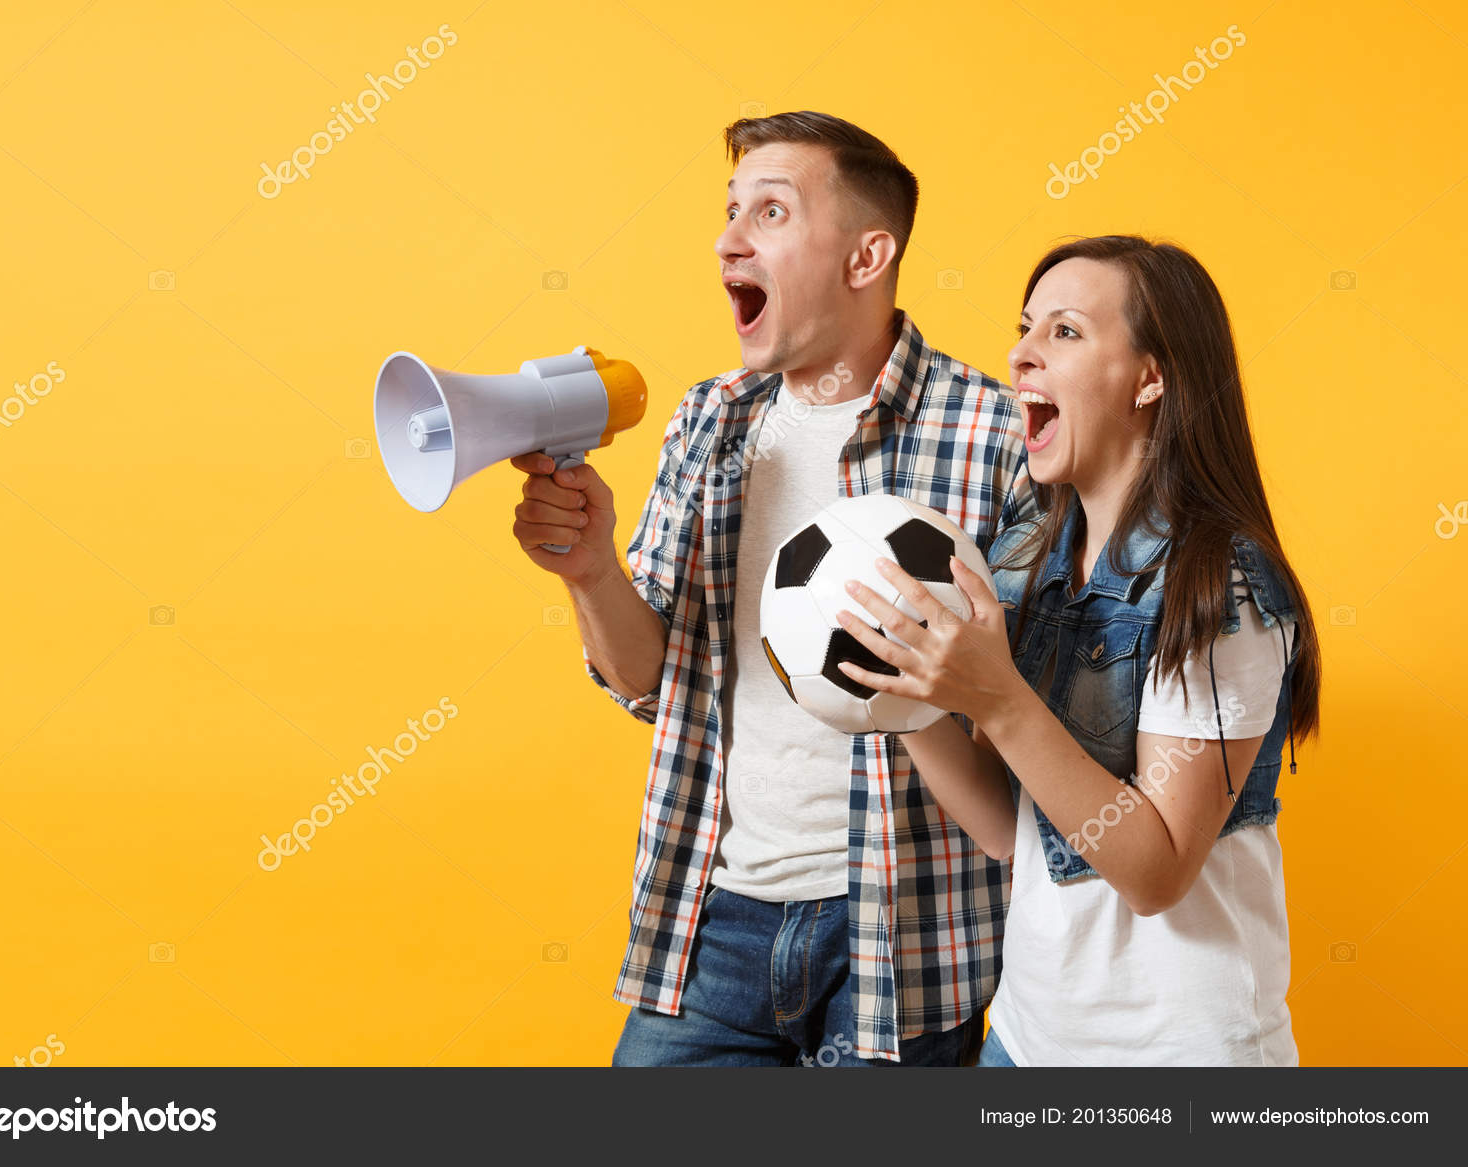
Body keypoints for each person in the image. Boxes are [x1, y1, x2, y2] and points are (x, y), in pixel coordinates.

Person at [508, 111, 1037, 1065]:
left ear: (866, 255)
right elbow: (648, 680)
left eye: (773, 210)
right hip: (715, 920)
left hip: (905, 941)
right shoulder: (709, 422)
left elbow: (1034, 717)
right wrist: (590, 572)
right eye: (730, 211)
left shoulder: (997, 435)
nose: (729, 238)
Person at [832, 235, 1322, 1065]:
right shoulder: (1025, 552)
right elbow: (1006, 827)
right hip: (1027, 1040)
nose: (1020, 354)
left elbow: (1157, 870)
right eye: (1025, 329)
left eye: (1064, 331)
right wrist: (897, 696)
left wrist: (997, 696)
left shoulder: (1219, 585)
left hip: (1182, 1056)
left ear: (1150, 376)